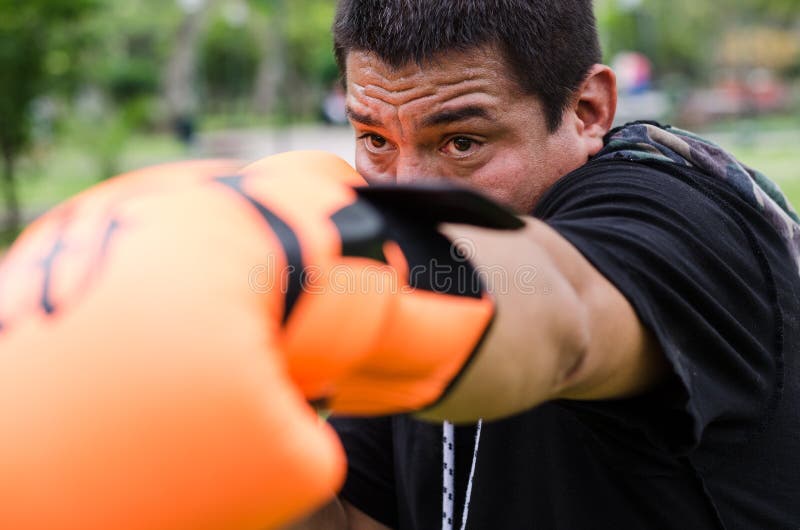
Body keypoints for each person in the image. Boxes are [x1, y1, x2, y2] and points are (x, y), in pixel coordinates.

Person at [288, 1, 800, 529]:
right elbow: (352, 520)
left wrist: (284, 271)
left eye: (461, 142)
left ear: (587, 109)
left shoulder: (677, 215)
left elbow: (567, 315)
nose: (404, 192)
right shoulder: (404, 282)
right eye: (376, 141)